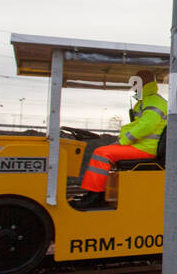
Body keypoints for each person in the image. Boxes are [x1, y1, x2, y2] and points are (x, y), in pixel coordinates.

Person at [70, 70, 167, 209]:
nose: (132, 85)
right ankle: (95, 193)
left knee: (102, 154)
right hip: (141, 145)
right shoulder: (145, 101)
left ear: (143, 81)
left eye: (135, 82)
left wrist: (123, 141)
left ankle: (95, 196)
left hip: (147, 148)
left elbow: (146, 125)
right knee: (103, 151)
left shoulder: (154, 101)